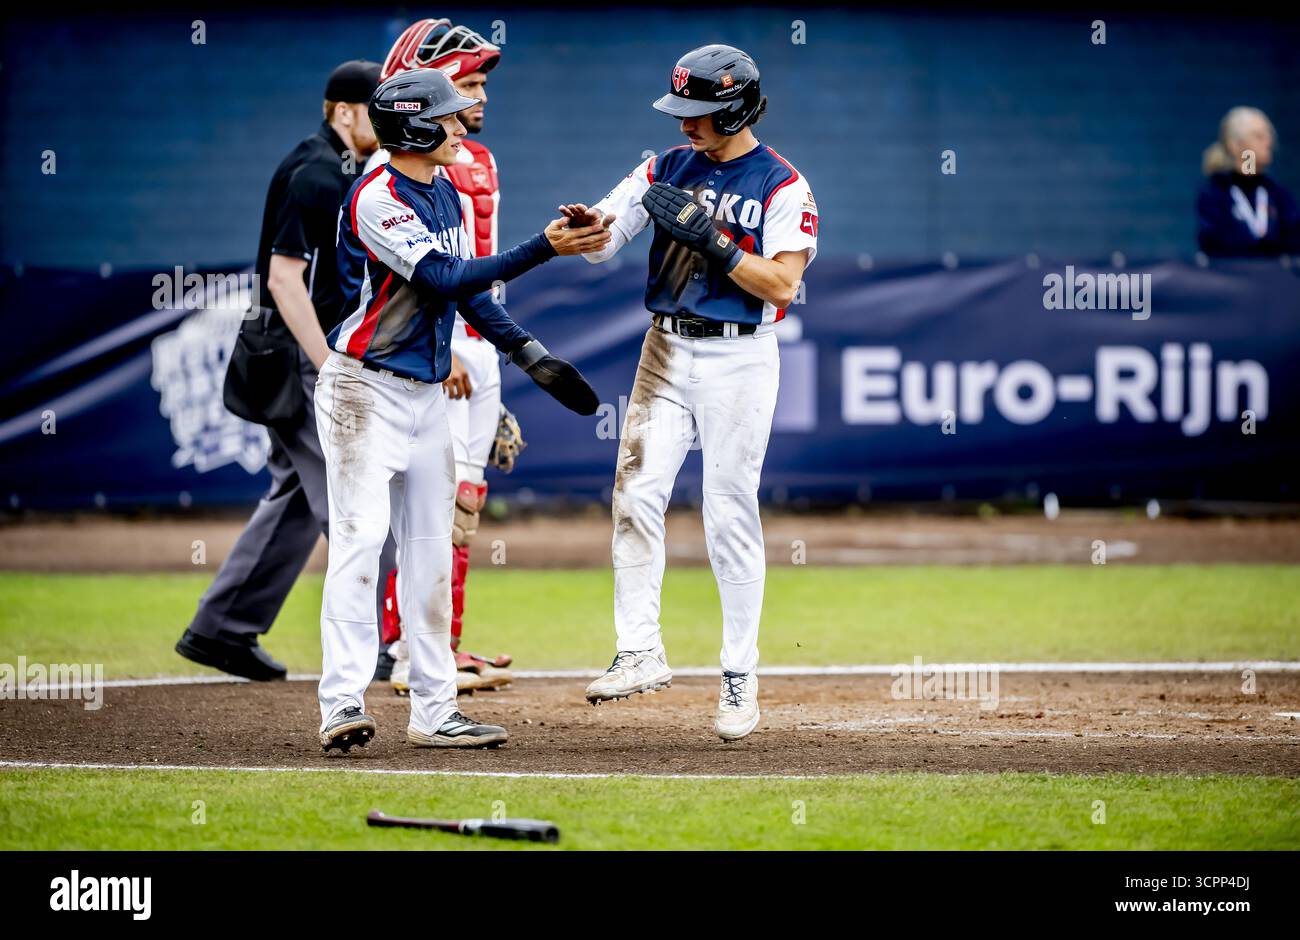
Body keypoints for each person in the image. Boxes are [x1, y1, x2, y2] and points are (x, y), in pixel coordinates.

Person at [316, 68, 608, 752]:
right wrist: (544, 248)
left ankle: (434, 710)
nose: (460, 124)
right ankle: (340, 705)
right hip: (363, 390)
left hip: (423, 399)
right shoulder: (378, 196)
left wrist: (527, 351)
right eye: (446, 116)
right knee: (360, 545)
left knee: (431, 554)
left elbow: (469, 296)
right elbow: (443, 277)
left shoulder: (442, 190)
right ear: (415, 127)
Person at [562, 44, 818, 742]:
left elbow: (783, 286)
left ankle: (740, 676)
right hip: (666, 347)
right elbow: (603, 241)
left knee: (729, 512)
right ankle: (640, 649)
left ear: (736, 107)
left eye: (699, 113)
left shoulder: (783, 184)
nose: (686, 126)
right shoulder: (664, 166)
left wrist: (716, 243)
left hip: (741, 357)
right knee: (636, 494)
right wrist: (584, 227)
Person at [175, 60, 394, 681]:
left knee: (298, 498)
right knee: (355, 497)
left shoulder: (340, 165)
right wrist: (328, 368)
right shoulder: (317, 170)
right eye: (374, 108)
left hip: (298, 350)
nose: (385, 120)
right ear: (342, 110)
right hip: (302, 353)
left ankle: (221, 630)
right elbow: (283, 279)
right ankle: (388, 644)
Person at [365, 19, 517, 696]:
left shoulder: (475, 160)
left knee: (465, 503)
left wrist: (490, 362)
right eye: (467, 84)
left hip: (477, 347)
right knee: (435, 506)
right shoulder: (389, 169)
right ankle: (404, 651)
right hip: (436, 347)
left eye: (481, 84)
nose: (478, 99)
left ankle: (443, 643)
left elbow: (474, 266)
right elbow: (422, 272)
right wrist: (451, 342)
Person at [1197, 106, 1300, 257]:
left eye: (1269, 135)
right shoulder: (1215, 194)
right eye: (1259, 136)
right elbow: (1214, 243)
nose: (1269, 142)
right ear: (1235, 145)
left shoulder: (1277, 195)